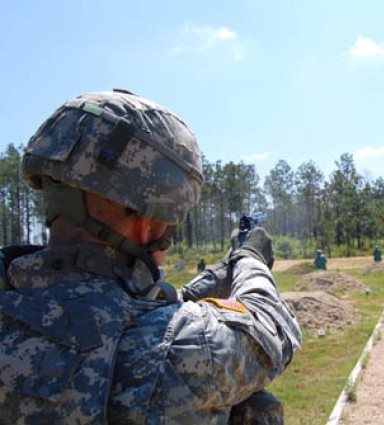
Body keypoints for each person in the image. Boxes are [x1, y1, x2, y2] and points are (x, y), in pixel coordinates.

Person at [0, 89, 302, 424]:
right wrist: (250, 257)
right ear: (149, 225)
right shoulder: (184, 349)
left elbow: (129, 309)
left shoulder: (18, 298)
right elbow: (271, 328)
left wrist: (220, 272)